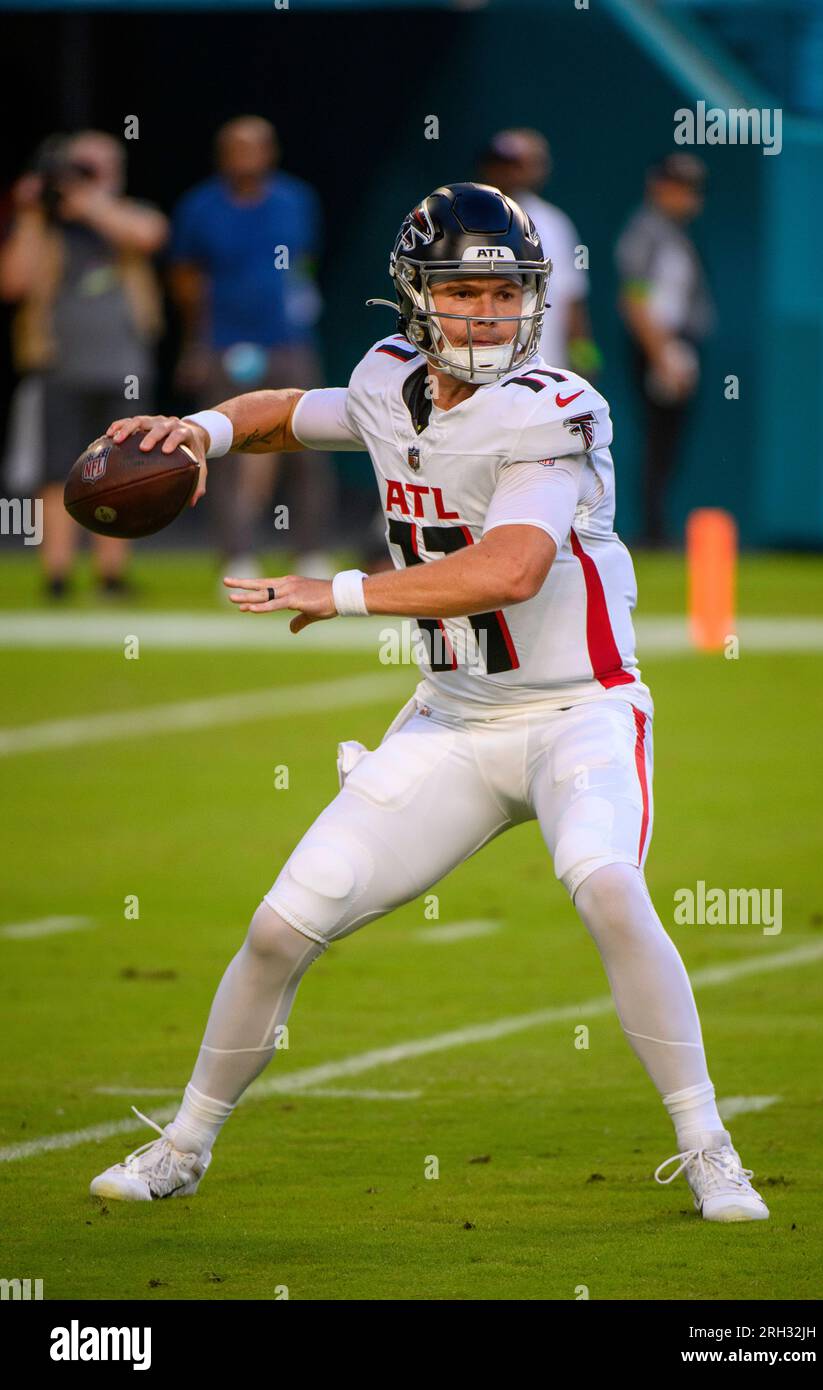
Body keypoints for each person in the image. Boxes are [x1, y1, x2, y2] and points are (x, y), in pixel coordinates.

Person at [90, 183, 767, 1224]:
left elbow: (508, 567)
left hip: (575, 714)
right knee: (279, 927)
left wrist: (341, 591)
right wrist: (196, 433)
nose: (490, 313)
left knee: (605, 887)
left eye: (507, 293)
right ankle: (183, 1145)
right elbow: (285, 414)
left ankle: (707, 1144)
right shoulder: (385, 380)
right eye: (467, 292)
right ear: (415, 296)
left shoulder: (554, 406)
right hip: (450, 722)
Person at [0, 131, 167, 598]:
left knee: (126, 470)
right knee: (56, 472)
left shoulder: (129, 214)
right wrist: (32, 213)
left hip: (125, 368)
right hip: (59, 366)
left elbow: (149, 235)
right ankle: (56, 575)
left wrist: (89, 200)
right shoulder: (45, 227)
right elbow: (12, 283)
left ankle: (111, 575)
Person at [169, 115, 336, 579]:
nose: (246, 156)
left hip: (288, 341)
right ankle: (237, 555)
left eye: (255, 147)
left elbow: (302, 262)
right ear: (222, 155)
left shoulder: (295, 200)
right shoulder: (200, 206)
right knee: (222, 445)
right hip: (224, 343)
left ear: (270, 152)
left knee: (311, 441)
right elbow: (186, 280)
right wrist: (196, 345)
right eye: (236, 148)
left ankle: (310, 551)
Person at [615, 154, 715, 547]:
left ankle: (657, 526)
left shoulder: (676, 234)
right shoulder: (646, 232)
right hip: (660, 343)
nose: (690, 199)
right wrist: (662, 353)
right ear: (658, 186)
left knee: (669, 440)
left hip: (675, 342)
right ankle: (652, 531)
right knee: (659, 438)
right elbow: (634, 298)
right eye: (681, 188)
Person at [479, 128, 600, 378]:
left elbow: (571, 297)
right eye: (500, 163)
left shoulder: (554, 222)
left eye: (516, 164)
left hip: (543, 366)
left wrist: (584, 354)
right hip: (479, 363)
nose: (507, 172)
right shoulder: (460, 217)